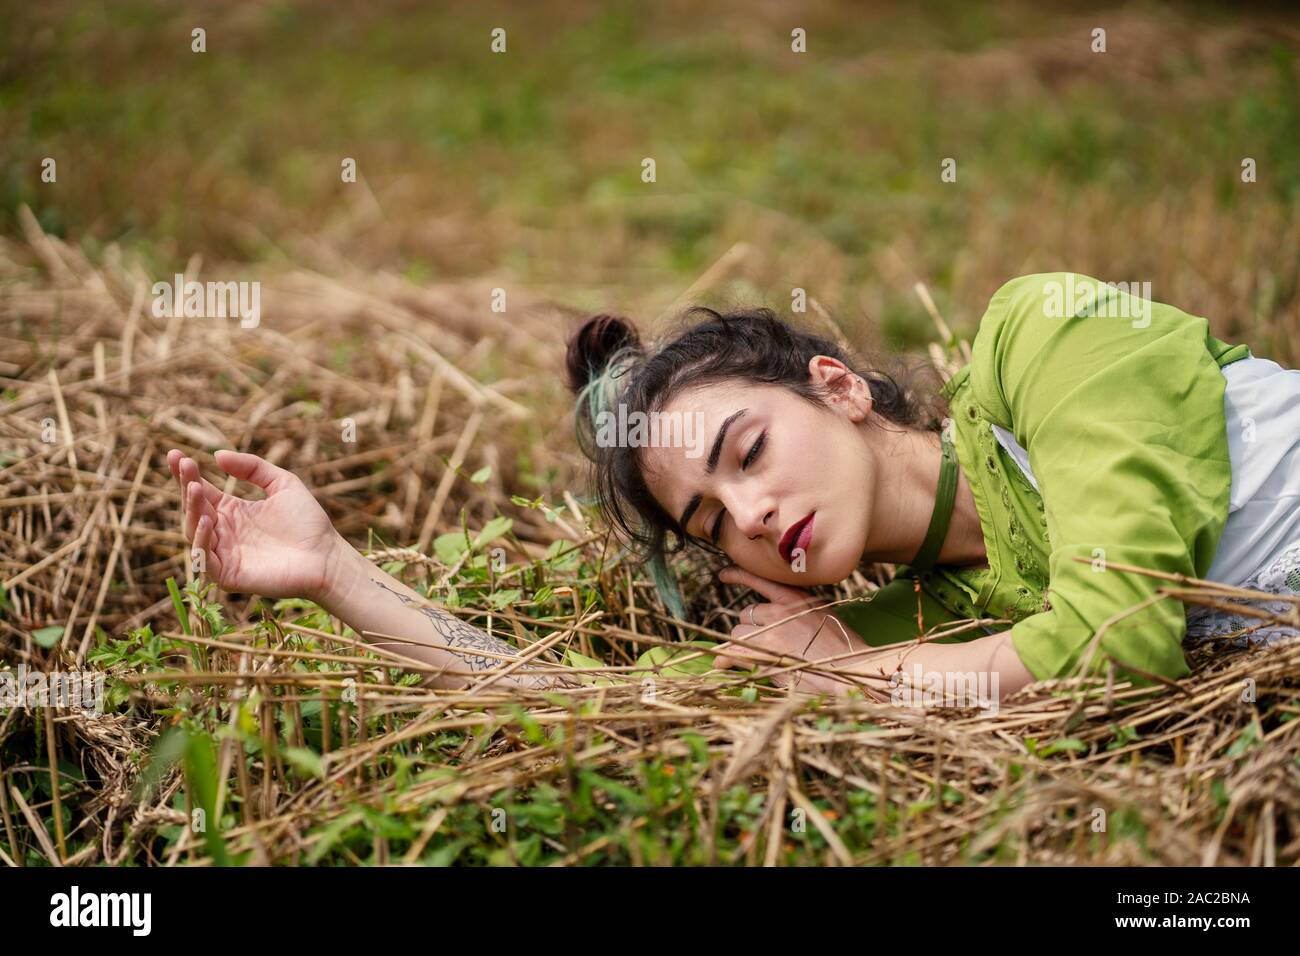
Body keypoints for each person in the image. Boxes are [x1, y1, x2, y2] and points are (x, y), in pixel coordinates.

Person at [169, 272, 1300, 703]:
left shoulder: (1049, 338)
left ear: (839, 385)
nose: (751, 516)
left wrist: (862, 674)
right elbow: (602, 710)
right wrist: (336, 572)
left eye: (748, 452)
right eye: (711, 522)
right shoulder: (930, 608)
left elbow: (1117, 632)